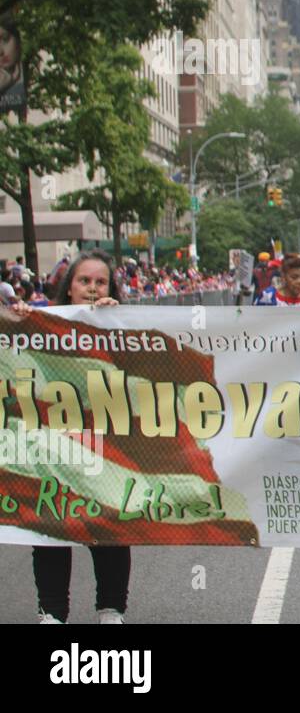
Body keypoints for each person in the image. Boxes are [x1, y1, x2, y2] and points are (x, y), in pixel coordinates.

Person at [10, 249, 131, 623]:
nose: (92, 289)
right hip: (50, 443)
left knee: (107, 525)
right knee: (49, 525)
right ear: (69, 286)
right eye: (84, 281)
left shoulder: (125, 324)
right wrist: (18, 320)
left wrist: (116, 322)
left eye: (100, 282)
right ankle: (52, 613)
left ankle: (110, 609)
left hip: (104, 444)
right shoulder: (40, 320)